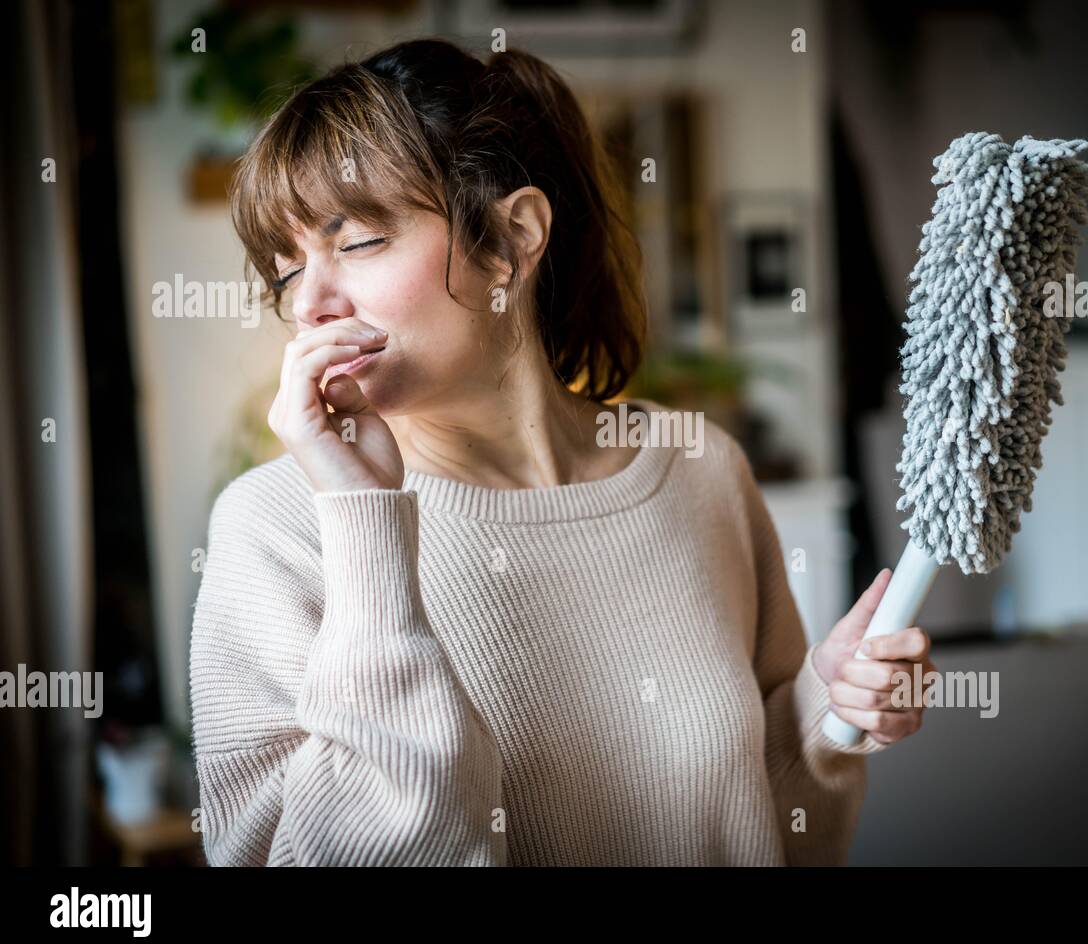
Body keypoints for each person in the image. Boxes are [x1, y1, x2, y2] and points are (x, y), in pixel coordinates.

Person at [189, 37, 934, 866]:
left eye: (357, 242)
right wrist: (365, 527)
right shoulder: (271, 531)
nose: (314, 305)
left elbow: (776, 830)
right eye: (288, 270)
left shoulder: (700, 469)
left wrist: (826, 714)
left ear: (512, 239)